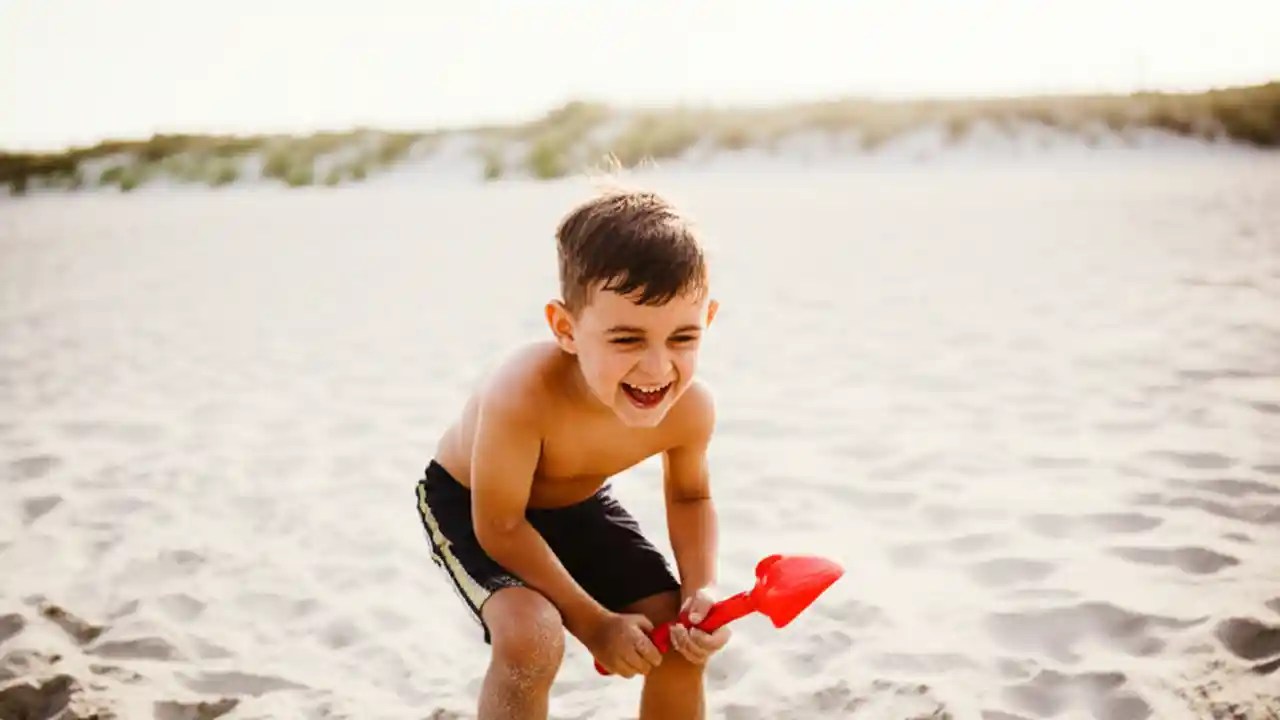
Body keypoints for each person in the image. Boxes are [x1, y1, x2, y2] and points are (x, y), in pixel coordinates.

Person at [414, 187, 731, 719]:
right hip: (473, 506)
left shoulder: (692, 408)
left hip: (575, 506)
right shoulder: (523, 391)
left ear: (709, 321)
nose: (657, 370)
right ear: (566, 328)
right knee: (532, 635)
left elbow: (691, 496)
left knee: (678, 634)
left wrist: (701, 592)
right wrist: (593, 623)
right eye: (627, 340)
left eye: (682, 338)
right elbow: (501, 525)